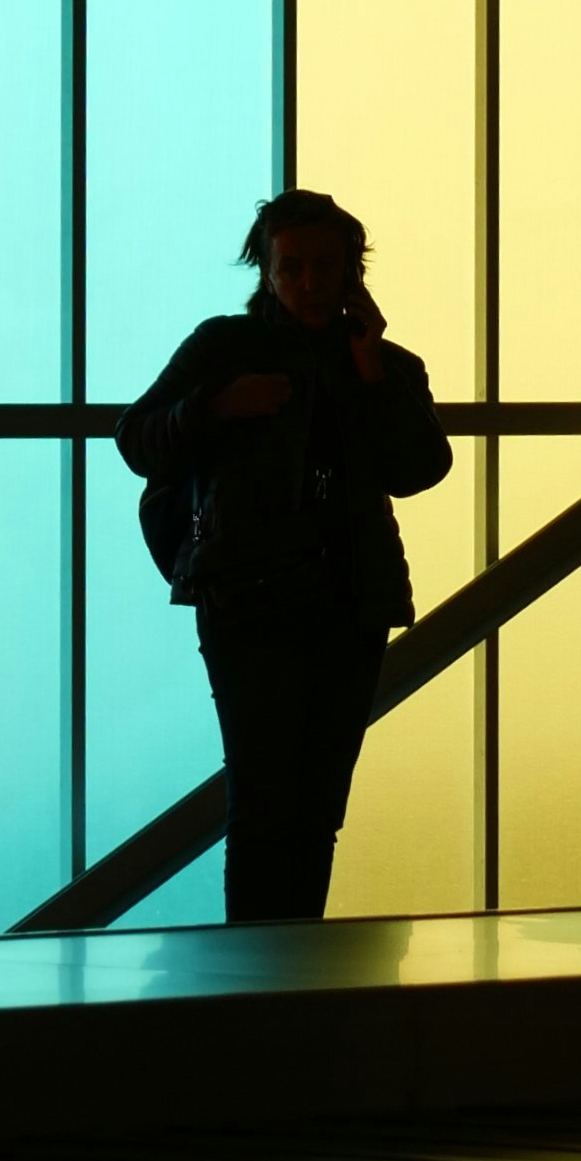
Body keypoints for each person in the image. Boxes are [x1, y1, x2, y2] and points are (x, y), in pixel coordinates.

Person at [116, 190, 454, 925]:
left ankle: (285, 973)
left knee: (316, 805)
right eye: (292, 267)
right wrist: (214, 405)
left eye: (322, 267)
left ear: (349, 274)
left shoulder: (383, 363)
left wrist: (369, 369)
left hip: (347, 603)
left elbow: (421, 467)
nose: (307, 283)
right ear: (266, 272)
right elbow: (135, 437)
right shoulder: (221, 348)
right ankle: (266, 979)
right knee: (267, 800)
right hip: (250, 603)